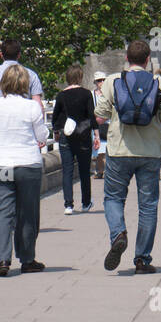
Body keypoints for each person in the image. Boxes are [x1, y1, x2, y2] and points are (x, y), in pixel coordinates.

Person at [93, 39, 161, 273]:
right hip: (150, 153)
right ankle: (142, 260)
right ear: (148, 59)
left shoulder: (112, 81)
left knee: (113, 198)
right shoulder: (160, 83)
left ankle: (118, 232)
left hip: (119, 150)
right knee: (148, 206)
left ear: (126, 59)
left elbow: (99, 117)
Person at [0, 64, 49, 275]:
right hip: (26, 165)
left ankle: (2, 259)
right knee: (27, 213)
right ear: (25, 84)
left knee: (2, 213)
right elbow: (42, 136)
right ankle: (27, 258)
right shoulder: (31, 107)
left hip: (0, 165)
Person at [52, 64, 95, 215]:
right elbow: (91, 115)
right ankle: (85, 202)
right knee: (84, 171)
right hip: (83, 136)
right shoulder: (86, 94)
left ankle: (68, 204)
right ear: (80, 77)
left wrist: (56, 131)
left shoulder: (61, 95)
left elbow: (56, 116)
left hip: (67, 135)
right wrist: (96, 133)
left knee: (67, 171)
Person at [0, 39, 44, 131]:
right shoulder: (31, 74)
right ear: (19, 55)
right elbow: (38, 104)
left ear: (1, 55)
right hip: (23, 124)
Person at [92, 71, 109, 178]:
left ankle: (107, 171)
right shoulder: (92, 94)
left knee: (108, 151)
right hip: (97, 125)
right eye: (99, 80)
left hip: (108, 124)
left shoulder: (109, 94)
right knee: (98, 151)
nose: (101, 82)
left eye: (103, 80)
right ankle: (100, 171)